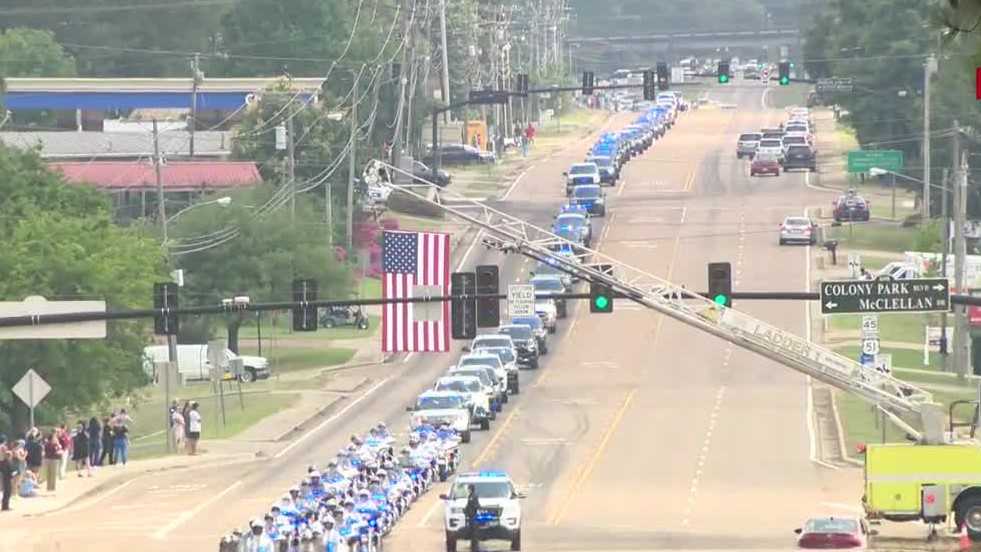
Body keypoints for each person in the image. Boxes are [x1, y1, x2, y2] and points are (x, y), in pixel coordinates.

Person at [464, 484, 482, 551]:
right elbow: (468, 505)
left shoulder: (474, 496)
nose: (468, 490)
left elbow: (476, 505)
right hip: (470, 516)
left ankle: (475, 548)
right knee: (472, 533)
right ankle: (473, 547)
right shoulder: (470, 496)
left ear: (471, 489)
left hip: (473, 516)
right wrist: (465, 511)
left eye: (469, 488)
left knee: (474, 534)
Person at [0, 438, 15, 511]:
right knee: (7, 492)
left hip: (6, 478)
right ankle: (5, 507)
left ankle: (5, 506)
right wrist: (12, 474)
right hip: (7, 478)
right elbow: (8, 471)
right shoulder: (5, 462)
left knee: (7, 492)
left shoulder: (4, 461)